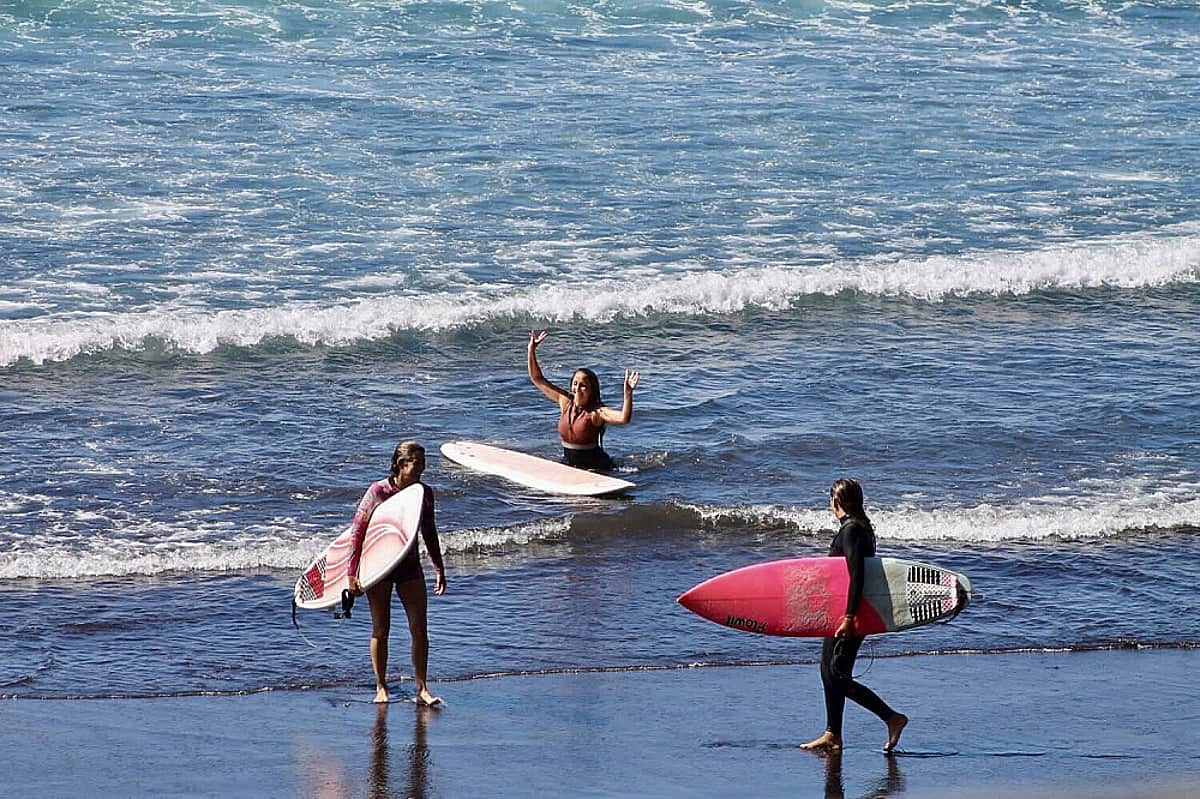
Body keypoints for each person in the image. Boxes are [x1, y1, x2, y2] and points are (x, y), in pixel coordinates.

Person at [801, 478, 908, 753]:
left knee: (836, 674)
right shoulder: (861, 529)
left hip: (851, 613)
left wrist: (849, 617)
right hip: (840, 610)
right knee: (828, 671)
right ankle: (832, 734)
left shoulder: (852, 531)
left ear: (835, 502)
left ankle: (891, 718)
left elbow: (856, 576)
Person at [347, 440, 447, 705]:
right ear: (402, 464)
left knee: (420, 628)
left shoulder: (424, 493)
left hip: (409, 565)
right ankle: (381, 687)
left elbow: (429, 531)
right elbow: (357, 533)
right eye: (417, 462)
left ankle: (422, 688)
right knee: (381, 628)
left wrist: (439, 567)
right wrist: (352, 573)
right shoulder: (378, 491)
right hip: (378, 567)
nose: (422, 467)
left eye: (423, 462)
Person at [526, 329, 640, 471]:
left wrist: (628, 393)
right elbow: (537, 379)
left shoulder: (597, 412)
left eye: (583, 385)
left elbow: (624, 418)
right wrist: (531, 350)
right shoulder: (565, 402)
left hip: (597, 468)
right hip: (569, 465)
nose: (578, 388)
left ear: (592, 390)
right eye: (575, 384)